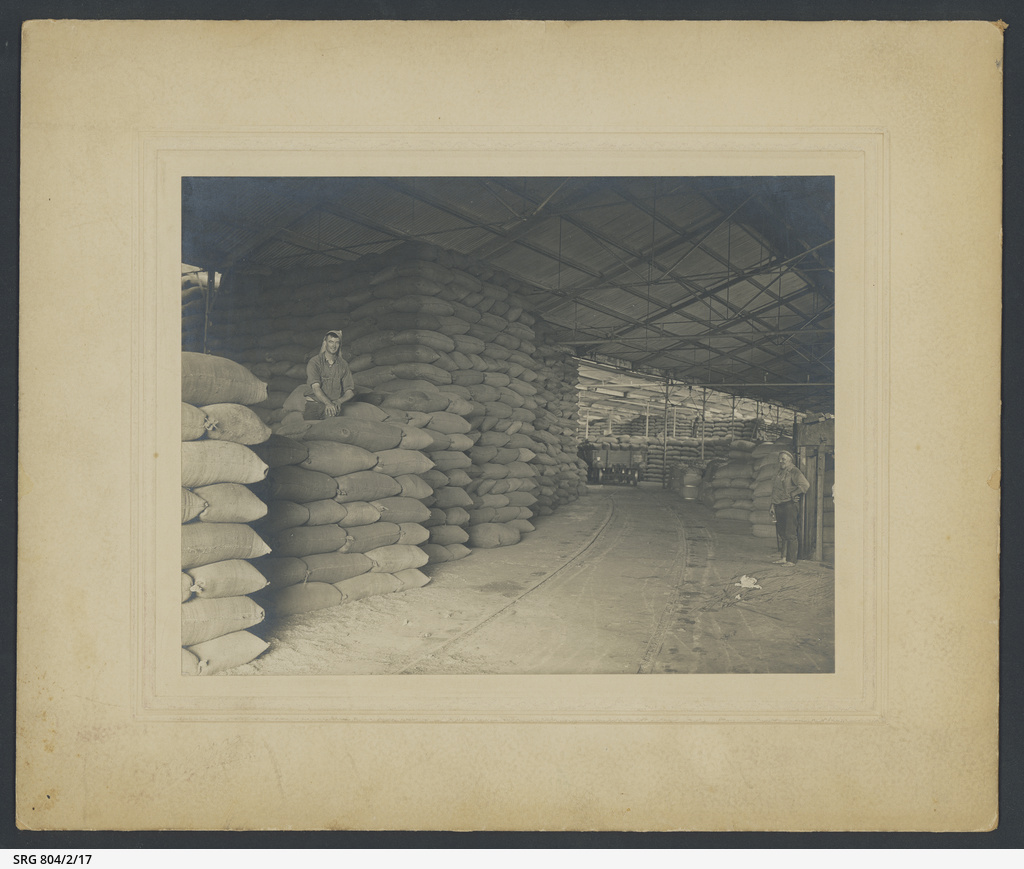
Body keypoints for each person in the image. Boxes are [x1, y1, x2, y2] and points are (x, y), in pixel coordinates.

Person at [769, 450, 810, 565]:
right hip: (778, 505)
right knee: (782, 533)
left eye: (783, 459)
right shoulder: (779, 473)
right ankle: (783, 557)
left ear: (790, 460)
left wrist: (794, 493)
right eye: (780, 459)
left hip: (789, 505)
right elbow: (775, 490)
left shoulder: (794, 471)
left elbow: (805, 485)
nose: (781, 461)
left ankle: (791, 560)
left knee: (790, 533)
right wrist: (772, 505)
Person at [303, 329, 355, 420]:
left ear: (339, 345)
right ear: (325, 343)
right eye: (331, 342)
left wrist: (339, 401)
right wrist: (328, 403)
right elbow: (315, 388)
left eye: (337, 342)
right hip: (313, 406)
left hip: (333, 407)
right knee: (309, 431)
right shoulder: (315, 362)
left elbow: (349, 391)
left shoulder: (343, 364)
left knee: (330, 431)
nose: (334, 345)